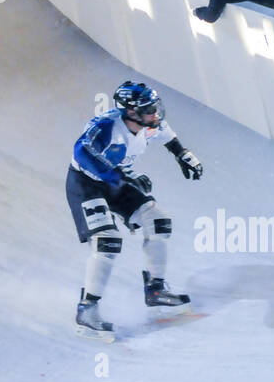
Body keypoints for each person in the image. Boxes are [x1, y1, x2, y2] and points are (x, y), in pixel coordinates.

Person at [67, 81, 204, 341]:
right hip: (87, 185)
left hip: (117, 181)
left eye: (155, 107)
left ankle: (156, 289)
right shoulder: (106, 126)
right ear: (131, 112)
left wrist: (182, 154)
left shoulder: (149, 126)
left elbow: (168, 135)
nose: (156, 114)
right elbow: (82, 151)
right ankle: (87, 310)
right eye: (149, 109)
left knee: (159, 221)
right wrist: (118, 175)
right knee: (107, 241)